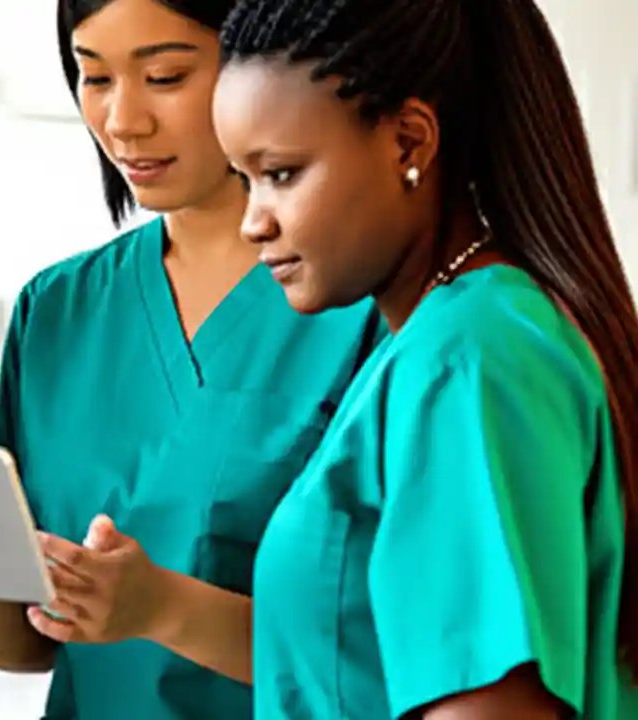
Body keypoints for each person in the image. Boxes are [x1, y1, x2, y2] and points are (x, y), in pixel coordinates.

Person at [0, 0, 382, 717]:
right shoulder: (57, 310)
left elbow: (399, 643)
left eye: (164, 75)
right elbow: (39, 637)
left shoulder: (364, 308)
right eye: (93, 77)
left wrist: (167, 608)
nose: (122, 121)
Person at [211, 0, 638, 718]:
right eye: (242, 180)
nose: (254, 221)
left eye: (281, 173)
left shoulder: (467, 361)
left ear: (409, 141)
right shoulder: (467, 336)